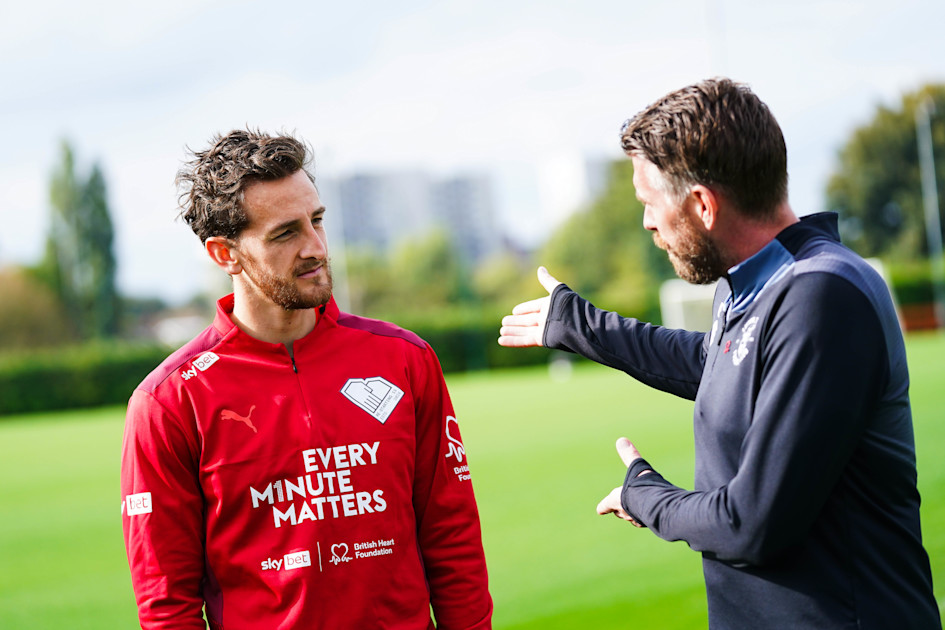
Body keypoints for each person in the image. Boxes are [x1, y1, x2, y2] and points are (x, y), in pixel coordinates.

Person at [498, 78, 940, 629]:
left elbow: (751, 523)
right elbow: (718, 364)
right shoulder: (757, 284)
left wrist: (647, 497)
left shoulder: (821, 294)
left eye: (649, 203)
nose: (647, 223)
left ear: (703, 204)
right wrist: (579, 325)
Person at [121, 129, 492, 630]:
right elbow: (167, 601)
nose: (315, 247)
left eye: (316, 221)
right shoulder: (169, 402)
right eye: (285, 233)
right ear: (224, 254)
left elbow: (452, 536)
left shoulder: (404, 359)